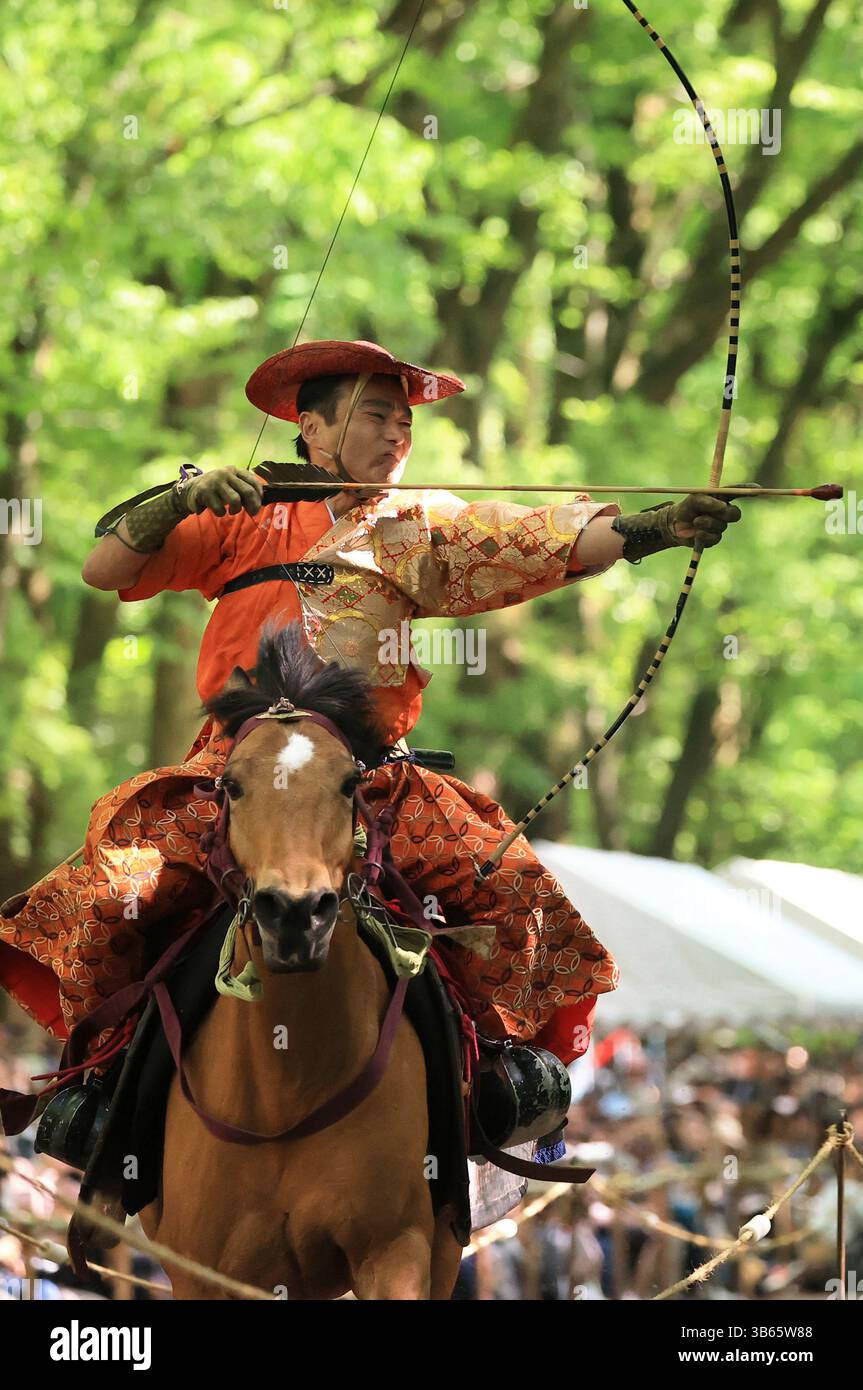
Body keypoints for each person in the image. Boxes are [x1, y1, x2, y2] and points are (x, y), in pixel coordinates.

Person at [0, 339, 741, 1155]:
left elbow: (542, 539)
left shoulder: (416, 522)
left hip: (371, 781)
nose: (398, 435)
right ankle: (100, 1082)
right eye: (376, 416)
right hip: (231, 775)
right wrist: (178, 500)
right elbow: (106, 568)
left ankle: (497, 1068)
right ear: (311, 428)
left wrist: (655, 526)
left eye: (404, 421)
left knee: (514, 891)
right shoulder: (246, 509)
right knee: (106, 891)